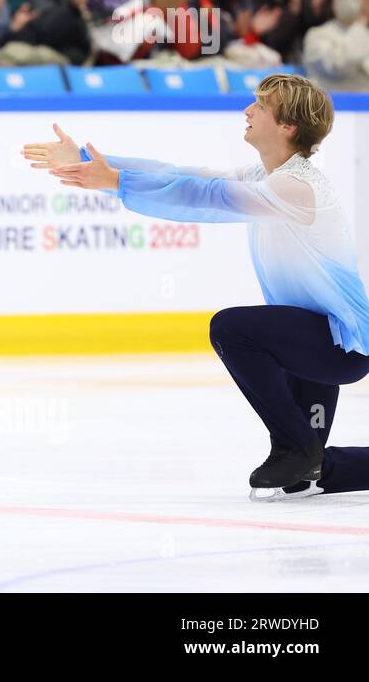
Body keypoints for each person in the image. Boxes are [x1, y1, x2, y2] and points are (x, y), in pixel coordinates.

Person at [25, 74, 369, 500]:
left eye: (261, 106)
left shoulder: (295, 187)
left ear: (288, 127)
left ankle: (295, 445)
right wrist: (85, 159)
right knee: (304, 475)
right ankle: (307, 455)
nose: (248, 110)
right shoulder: (266, 175)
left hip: (338, 345)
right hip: (310, 339)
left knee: (232, 329)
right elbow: (180, 174)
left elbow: (205, 196)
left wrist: (115, 183)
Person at [301, 0, 369, 92]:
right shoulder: (316, 35)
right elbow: (337, 64)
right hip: (329, 107)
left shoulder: (364, 33)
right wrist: (362, 20)